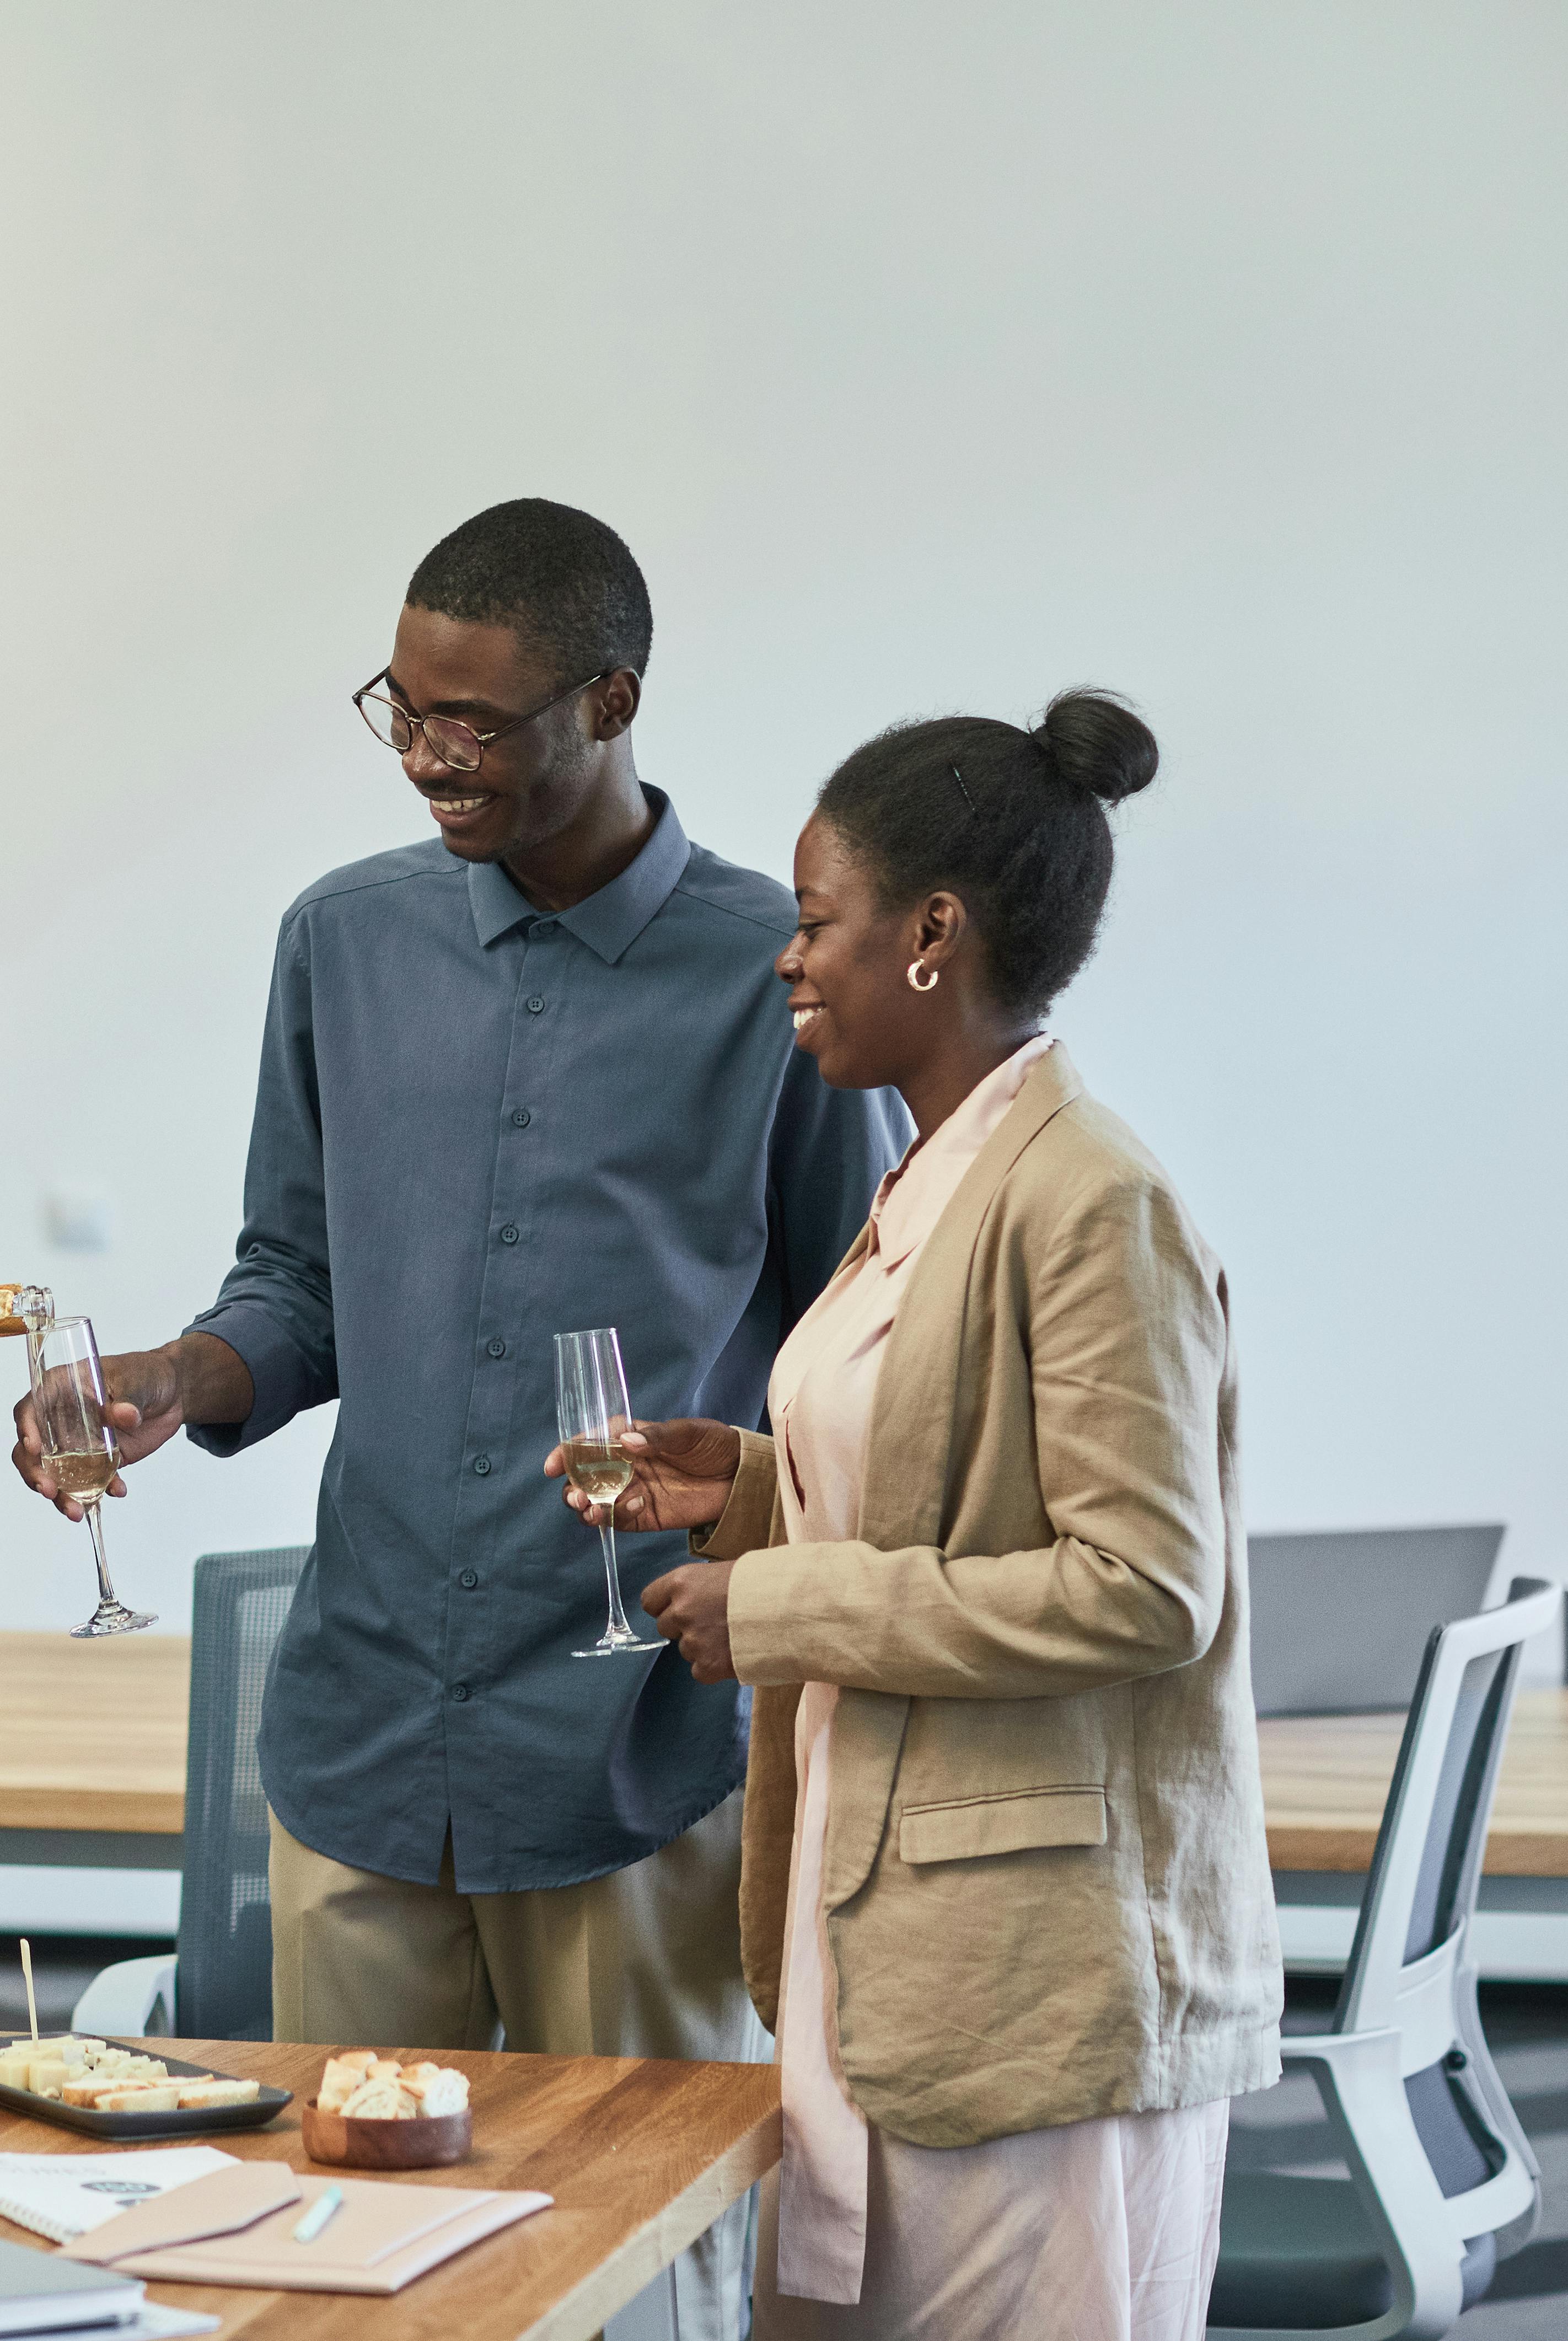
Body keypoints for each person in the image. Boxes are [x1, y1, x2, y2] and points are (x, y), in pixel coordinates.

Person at [17, 500, 903, 2339]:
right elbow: (292, 1284)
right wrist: (174, 1379)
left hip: (636, 1734)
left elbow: (861, 1362)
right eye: (400, 709)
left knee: (637, 2247)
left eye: (475, 722)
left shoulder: (775, 978)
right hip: (360, 1726)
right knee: (329, 2255)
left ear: (610, 698)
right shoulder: (338, 940)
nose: (428, 755)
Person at [565, 690, 1281, 2337]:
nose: (784, 958)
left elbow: (1139, 1586)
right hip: (884, 1925)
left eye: (816, 921)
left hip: (1028, 1976)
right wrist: (743, 1487)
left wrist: (778, 1610)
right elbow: (946, 1483)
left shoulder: (1089, 1197)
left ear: (930, 934)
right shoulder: (929, 1181)